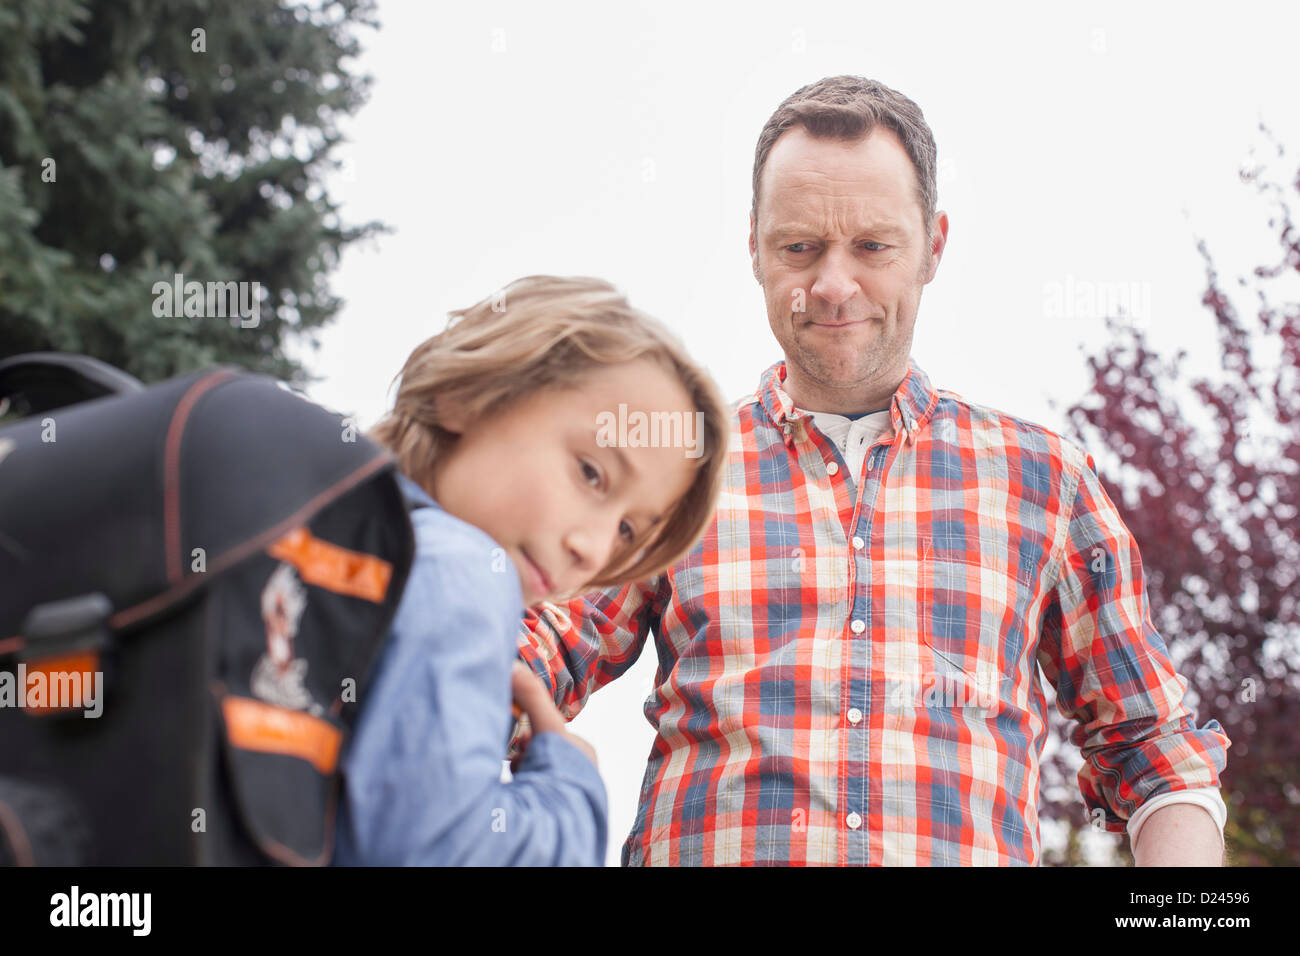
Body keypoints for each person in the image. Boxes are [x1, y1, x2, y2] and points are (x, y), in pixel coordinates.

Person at [516, 76, 1231, 866]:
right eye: (799, 247)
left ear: (934, 246)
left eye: (872, 247)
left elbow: (1153, 751)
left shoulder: (1046, 482)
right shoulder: (672, 467)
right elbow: (539, 648)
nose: (832, 286)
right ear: (754, 247)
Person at [331, 275, 729, 865]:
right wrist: (570, 791)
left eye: (627, 531)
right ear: (468, 395)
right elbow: (434, 851)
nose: (596, 551)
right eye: (591, 473)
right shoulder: (463, 574)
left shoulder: (337, 539)